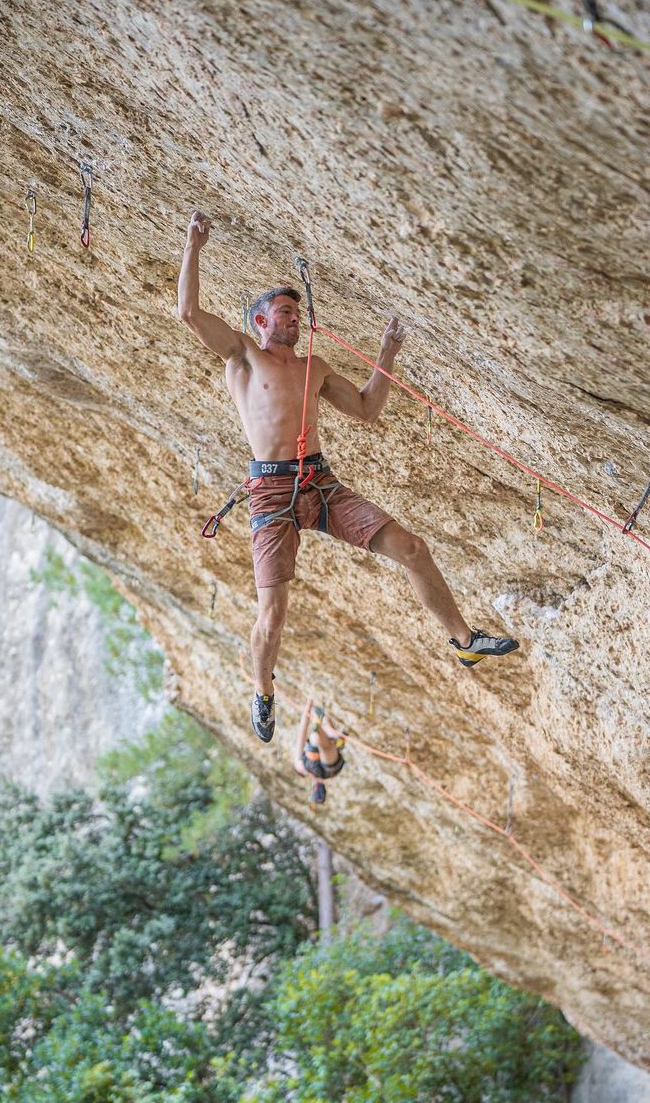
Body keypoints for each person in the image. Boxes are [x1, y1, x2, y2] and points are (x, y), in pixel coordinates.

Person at [177, 210, 519, 743]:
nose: (294, 319)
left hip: (321, 483)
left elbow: (365, 410)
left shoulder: (316, 368)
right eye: (284, 313)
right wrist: (193, 246)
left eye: (296, 313)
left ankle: (465, 641)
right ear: (260, 322)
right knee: (274, 610)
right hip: (270, 489)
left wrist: (386, 354)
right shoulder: (242, 356)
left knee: (412, 547)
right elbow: (189, 312)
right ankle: (263, 690)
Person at [293, 699, 346, 804]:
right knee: (320, 744)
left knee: (326, 747)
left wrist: (308, 705)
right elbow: (301, 735)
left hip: (328, 769)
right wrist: (308, 705)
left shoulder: (301, 767)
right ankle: (325, 732)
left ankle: (328, 733)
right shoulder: (299, 766)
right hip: (316, 764)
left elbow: (301, 735)